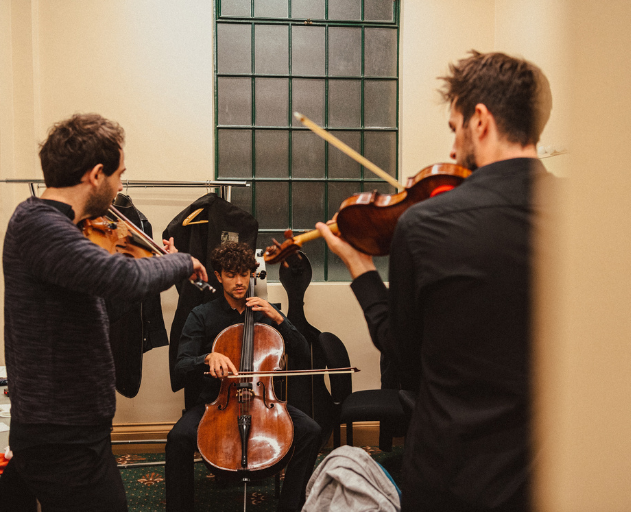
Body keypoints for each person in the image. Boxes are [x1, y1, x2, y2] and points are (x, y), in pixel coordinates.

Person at [316, 50, 554, 511]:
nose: (451, 149)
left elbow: (402, 359)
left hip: (454, 475)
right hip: (554, 474)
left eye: (454, 128)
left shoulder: (426, 226)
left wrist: (362, 271)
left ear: (479, 120)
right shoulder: (593, 215)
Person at [0, 113, 209, 512]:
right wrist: (179, 262)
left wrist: (150, 260)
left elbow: (103, 302)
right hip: (60, 432)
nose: (121, 186)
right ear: (96, 175)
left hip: (70, 425)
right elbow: (121, 278)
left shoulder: (62, 226)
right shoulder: (41, 226)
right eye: (120, 175)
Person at [165, 242, 321, 512]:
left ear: (252, 274)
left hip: (263, 400)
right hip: (215, 402)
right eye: (231, 274)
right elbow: (181, 365)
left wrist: (279, 317)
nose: (239, 281)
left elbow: (302, 353)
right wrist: (207, 358)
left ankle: (290, 505)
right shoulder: (201, 315)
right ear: (218, 275)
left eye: (244, 274)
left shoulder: (265, 314)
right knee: (177, 438)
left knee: (311, 431)